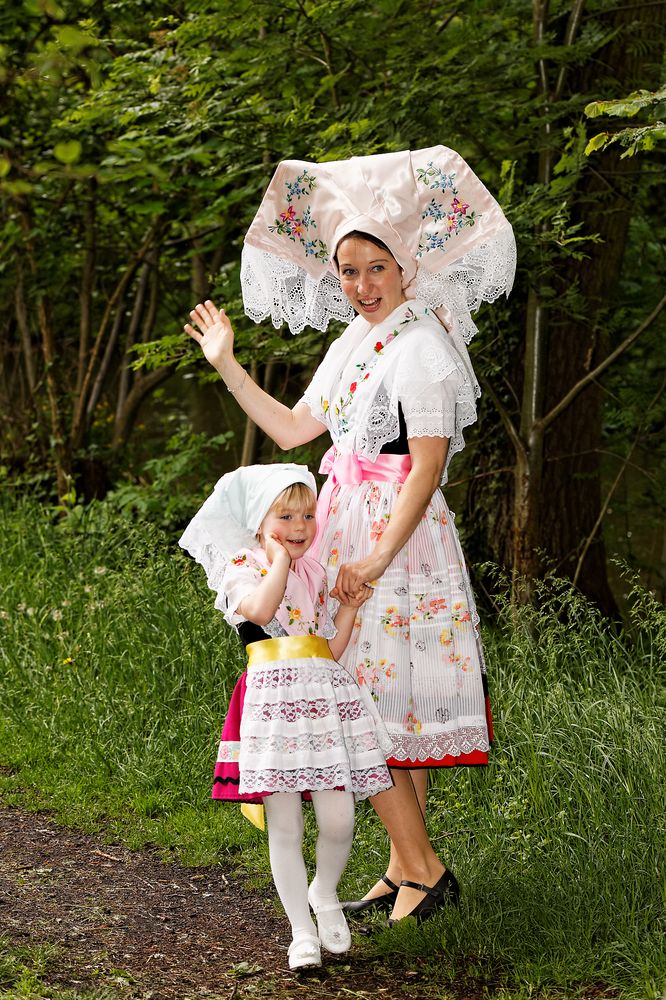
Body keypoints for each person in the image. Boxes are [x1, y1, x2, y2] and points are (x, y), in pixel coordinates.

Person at [184, 146, 516, 924]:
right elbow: (298, 428)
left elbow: (426, 472)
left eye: (376, 268)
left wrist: (371, 558)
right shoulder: (352, 343)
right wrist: (227, 364)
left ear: (405, 268)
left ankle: (426, 870)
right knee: (378, 705)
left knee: (370, 705)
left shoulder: (424, 348)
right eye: (349, 271)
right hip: (348, 528)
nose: (362, 286)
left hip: (398, 544)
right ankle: (406, 869)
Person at [179, 463, 393, 970]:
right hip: (272, 704)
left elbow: (328, 650)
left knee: (339, 820)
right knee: (286, 825)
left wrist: (349, 610)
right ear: (260, 520)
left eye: (307, 515)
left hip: (322, 702)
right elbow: (258, 609)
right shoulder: (242, 564)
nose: (299, 527)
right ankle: (301, 929)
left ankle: (324, 892)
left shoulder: (316, 573)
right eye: (285, 516)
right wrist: (275, 559)